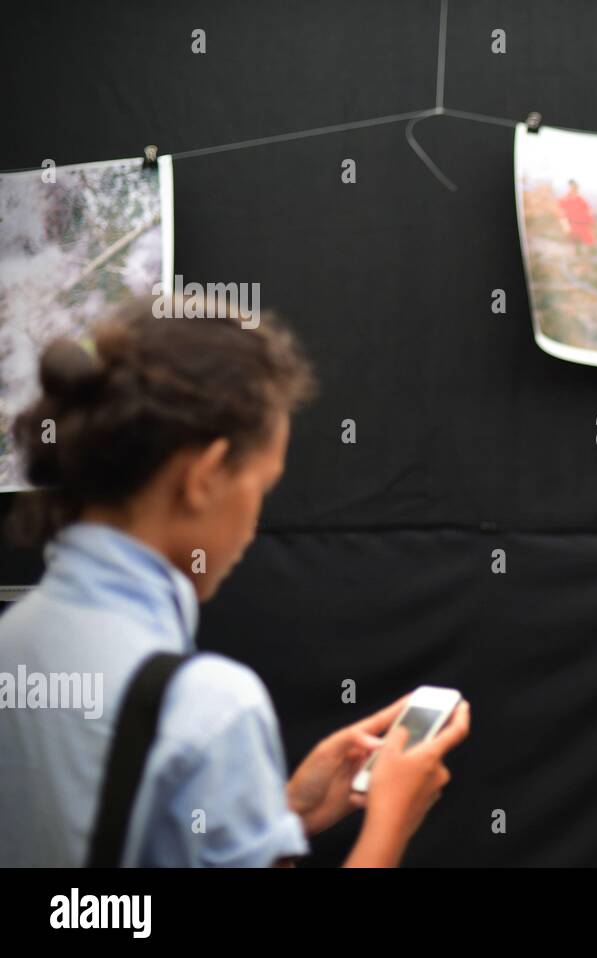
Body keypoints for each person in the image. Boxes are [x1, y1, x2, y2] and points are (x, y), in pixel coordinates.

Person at [0, 297, 470, 867]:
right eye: (261, 487)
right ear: (203, 478)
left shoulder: (14, 640)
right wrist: (393, 820)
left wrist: (282, 814)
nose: (253, 526)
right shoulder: (212, 708)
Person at [557, 180, 595, 252]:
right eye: (572, 188)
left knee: (588, 246)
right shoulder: (564, 200)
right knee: (573, 246)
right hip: (572, 227)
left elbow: (588, 212)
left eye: (575, 188)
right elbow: (561, 214)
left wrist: (590, 222)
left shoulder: (582, 200)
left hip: (583, 227)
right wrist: (566, 227)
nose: (574, 190)